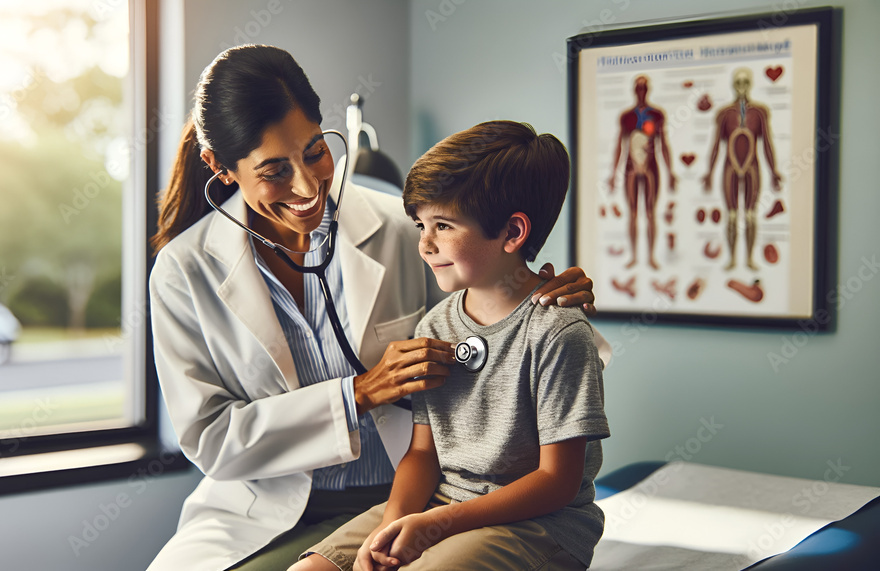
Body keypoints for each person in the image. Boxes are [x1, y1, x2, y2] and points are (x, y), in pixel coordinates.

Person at [146, 45, 600, 571]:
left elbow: (507, 335)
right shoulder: (184, 270)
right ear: (220, 168)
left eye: (315, 151)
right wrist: (358, 394)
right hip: (265, 508)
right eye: (273, 170)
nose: (307, 185)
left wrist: (538, 286)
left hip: (407, 488)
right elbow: (211, 438)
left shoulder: (407, 228)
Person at [291, 121, 608, 571]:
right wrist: (395, 525)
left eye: (442, 225)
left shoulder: (557, 332)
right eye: (421, 224)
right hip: (442, 504)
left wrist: (440, 523)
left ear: (513, 232)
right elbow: (423, 453)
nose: (424, 243)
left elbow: (557, 482)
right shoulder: (436, 325)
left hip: (538, 524)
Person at [701, 67, 782, 271]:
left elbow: (767, 144)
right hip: (730, 168)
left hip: (752, 167)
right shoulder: (725, 114)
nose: (742, 87)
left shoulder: (760, 113)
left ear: (751, 84)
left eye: (746, 82)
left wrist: (774, 171)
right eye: (738, 83)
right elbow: (716, 145)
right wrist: (709, 173)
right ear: (733, 85)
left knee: (750, 215)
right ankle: (732, 259)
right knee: (732, 215)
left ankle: (748, 259)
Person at [607, 75, 677, 270]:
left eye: (644, 88)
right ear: (634, 90)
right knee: (633, 213)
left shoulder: (657, 115)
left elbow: (663, 144)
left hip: (651, 167)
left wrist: (670, 172)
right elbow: (620, 145)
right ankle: (634, 256)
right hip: (630, 167)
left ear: (648, 90)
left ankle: (651, 257)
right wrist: (614, 174)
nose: (641, 92)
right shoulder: (626, 116)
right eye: (638, 88)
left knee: (650, 212)